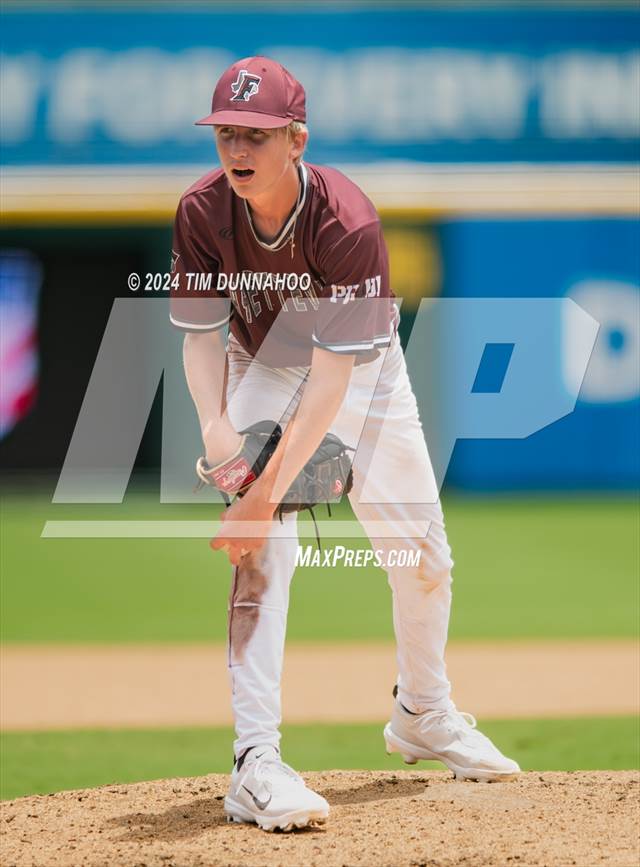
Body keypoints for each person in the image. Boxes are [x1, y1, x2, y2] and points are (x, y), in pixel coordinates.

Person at [170, 56, 519, 833]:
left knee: (422, 555)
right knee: (268, 551)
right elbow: (198, 336)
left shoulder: (346, 222)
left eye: (257, 134)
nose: (239, 149)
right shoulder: (201, 211)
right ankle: (253, 761)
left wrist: (255, 498)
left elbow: (333, 388)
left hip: (359, 369)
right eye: (227, 131)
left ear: (298, 139)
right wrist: (217, 427)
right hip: (256, 362)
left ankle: (423, 712)